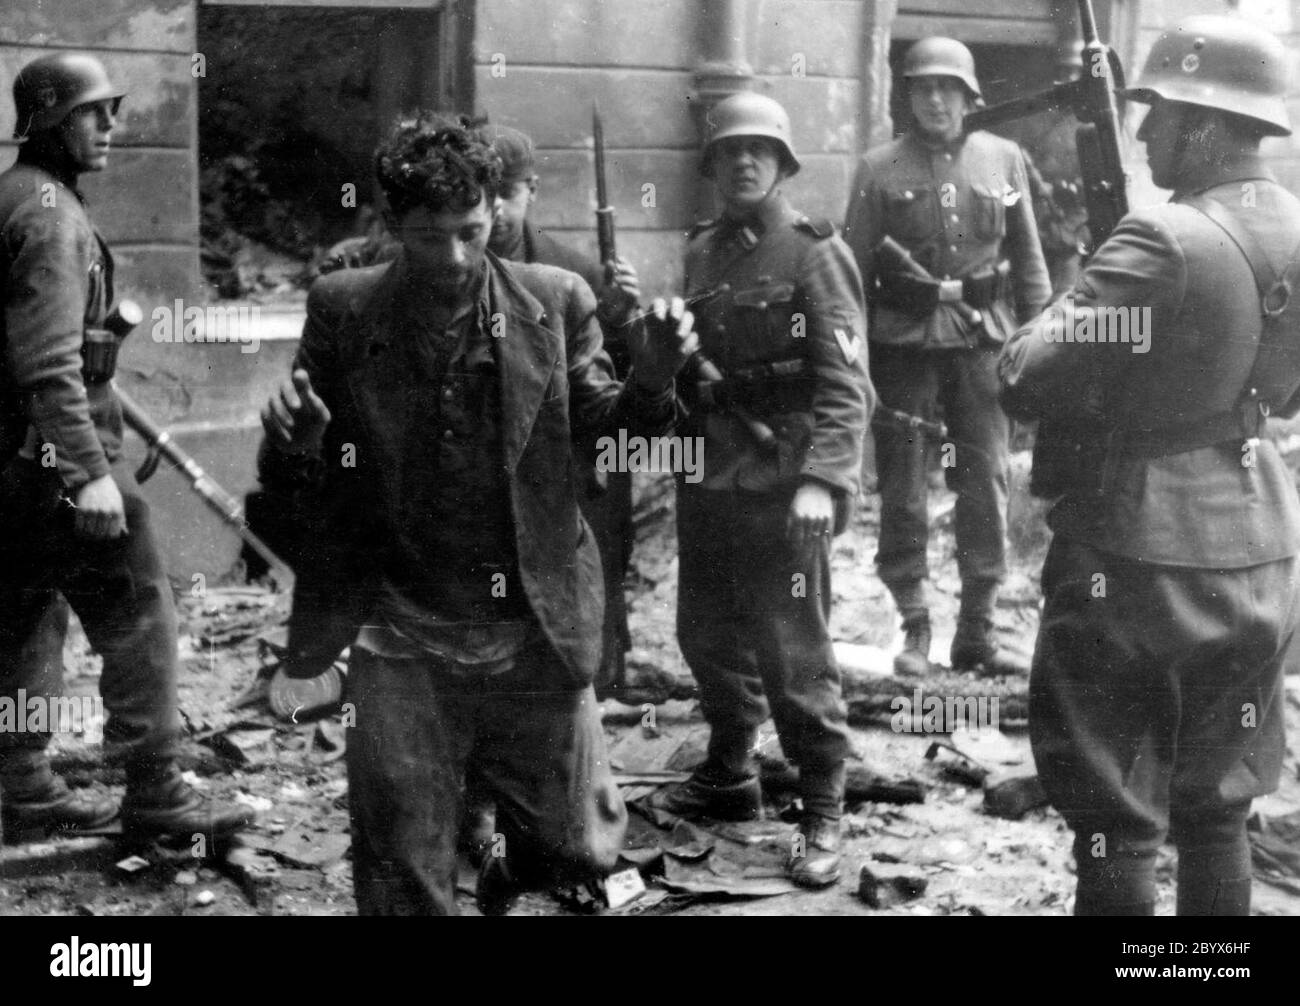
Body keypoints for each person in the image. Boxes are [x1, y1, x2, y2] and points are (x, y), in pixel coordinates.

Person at [258, 112, 697, 915]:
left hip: (532, 619)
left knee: (577, 848)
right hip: (398, 625)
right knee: (401, 863)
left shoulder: (556, 301)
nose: (455, 257)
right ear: (393, 224)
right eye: (430, 236)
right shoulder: (344, 309)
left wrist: (654, 381)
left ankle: (500, 865)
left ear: (496, 211)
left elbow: (612, 437)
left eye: (471, 230)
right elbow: (295, 490)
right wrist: (300, 445)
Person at [1000, 15, 1300, 916]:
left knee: (1115, 814)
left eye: (1158, 116)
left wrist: (1075, 288)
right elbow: (1282, 396)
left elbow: (1024, 373)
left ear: (1205, 125)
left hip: (1137, 551)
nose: (1142, 135)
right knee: (1216, 809)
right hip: (1259, 542)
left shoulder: (1160, 238)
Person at [0, 53, 254, 843]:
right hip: (51, 462)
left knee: (24, 611)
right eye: (92, 112)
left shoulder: (21, 196)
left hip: (11, 464)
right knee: (142, 609)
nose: (111, 126)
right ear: (48, 120)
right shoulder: (49, 217)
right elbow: (44, 365)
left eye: (112, 110)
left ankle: (22, 783)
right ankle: (156, 794)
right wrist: (88, 476)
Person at [646, 92, 873, 888]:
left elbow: (848, 386)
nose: (744, 161)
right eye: (729, 150)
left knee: (793, 651)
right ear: (713, 167)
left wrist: (824, 482)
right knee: (705, 634)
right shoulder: (702, 250)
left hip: (784, 483)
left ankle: (822, 808)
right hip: (711, 469)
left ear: (781, 162)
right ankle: (732, 770)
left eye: (759, 150)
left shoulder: (813, 251)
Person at [843, 37, 1050, 677]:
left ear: (968, 96)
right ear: (908, 97)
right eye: (923, 87)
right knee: (903, 489)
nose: (935, 98)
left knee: (984, 482)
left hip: (983, 344)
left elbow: (1032, 264)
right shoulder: (877, 168)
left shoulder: (1005, 160)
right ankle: (914, 623)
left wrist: (1037, 342)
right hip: (903, 347)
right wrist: (849, 353)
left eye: (947, 87)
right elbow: (848, 270)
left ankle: (976, 630)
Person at [482, 122, 640, 695]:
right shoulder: (448, 270)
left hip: (568, 460)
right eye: (485, 192)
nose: (497, 209)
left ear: (533, 190)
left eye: (511, 192)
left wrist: (623, 313)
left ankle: (598, 680)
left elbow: (611, 384)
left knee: (588, 573)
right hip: (489, 461)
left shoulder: (576, 272)